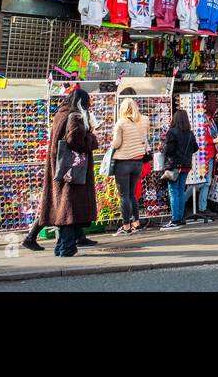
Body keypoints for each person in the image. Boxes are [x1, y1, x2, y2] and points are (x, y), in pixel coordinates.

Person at [39, 87, 99, 257]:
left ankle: (61, 247)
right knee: (69, 209)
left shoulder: (60, 114)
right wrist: (92, 139)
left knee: (63, 209)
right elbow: (75, 140)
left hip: (60, 167)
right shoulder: (75, 116)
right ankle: (66, 247)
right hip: (72, 171)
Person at [110, 97, 150, 235]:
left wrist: (111, 142)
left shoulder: (120, 123)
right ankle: (136, 222)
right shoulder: (145, 120)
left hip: (123, 162)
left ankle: (126, 226)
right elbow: (145, 139)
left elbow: (116, 144)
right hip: (138, 162)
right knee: (132, 194)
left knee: (124, 196)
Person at [161, 108, 198, 230]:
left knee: (173, 191)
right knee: (180, 191)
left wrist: (162, 148)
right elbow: (195, 148)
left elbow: (169, 150)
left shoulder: (172, 132)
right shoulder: (190, 133)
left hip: (174, 166)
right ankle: (181, 217)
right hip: (186, 165)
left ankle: (175, 218)